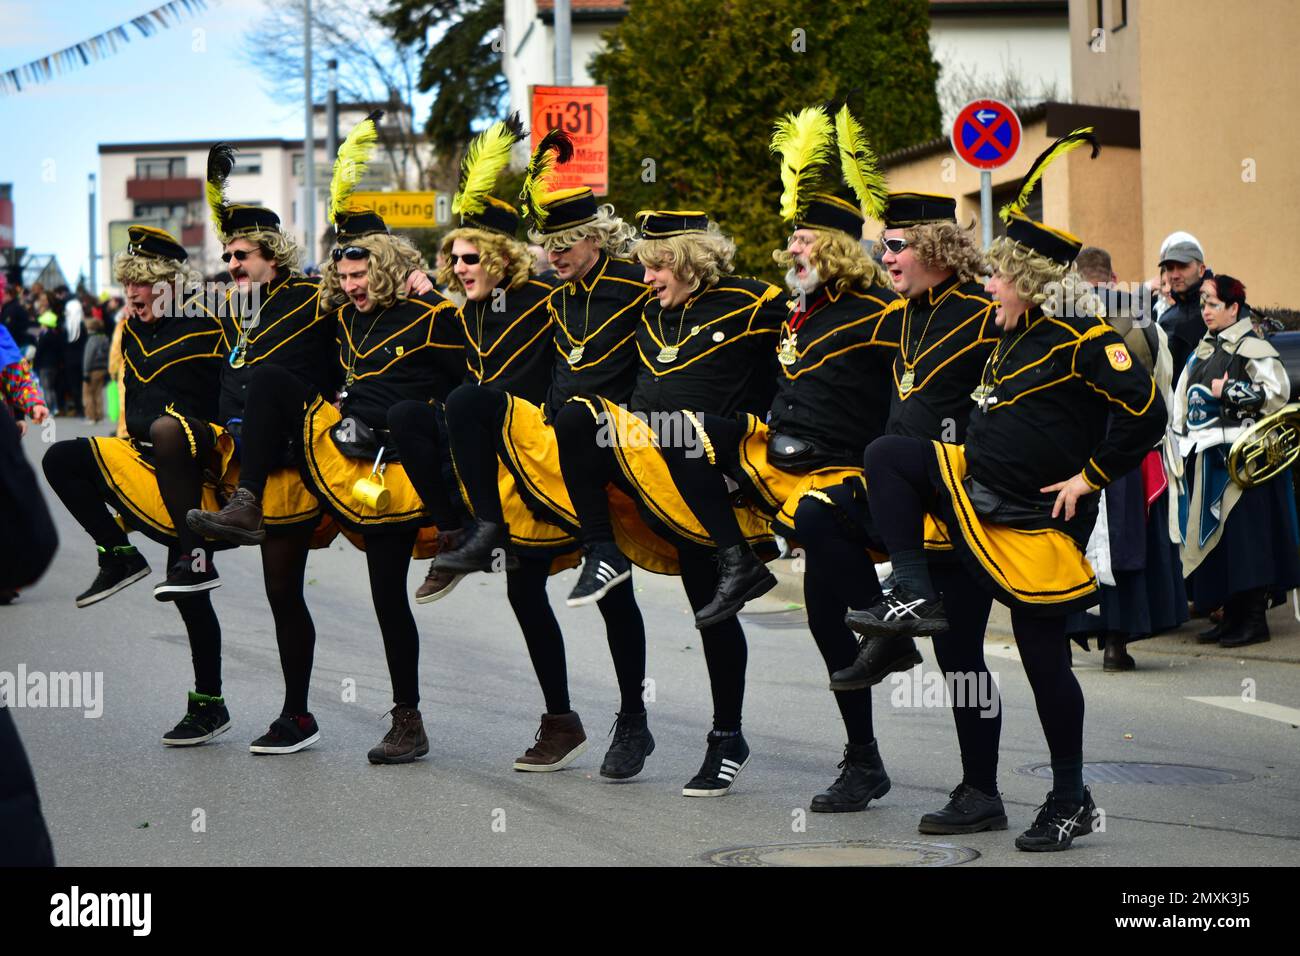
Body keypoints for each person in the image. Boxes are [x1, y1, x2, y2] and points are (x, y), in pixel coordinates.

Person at [838, 130, 1168, 851]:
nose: (988, 285)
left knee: (1044, 658)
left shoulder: (1081, 336)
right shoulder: (1007, 334)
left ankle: (1069, 794)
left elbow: (1147, 413)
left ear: (1031, 280)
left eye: (998, 276)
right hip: (976, 504)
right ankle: (978, 787)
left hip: (1038, 524)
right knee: (892, 460)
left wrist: (1090, 478)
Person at [188, 113, 463, 763]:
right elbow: (283, 322)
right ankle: (245, 503)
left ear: (389, 265)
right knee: (276, 380)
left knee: (386, 597)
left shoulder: (431, 315)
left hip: (394, 464)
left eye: (361, 274)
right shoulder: (336, 317)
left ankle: (409, 719)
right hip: (329, 451)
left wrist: (439, 292)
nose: (350, 286)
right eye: (342, 277)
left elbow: (466, 383)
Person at [428, 127, 656, 775]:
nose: (554, 253)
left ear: (597, 236)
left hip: (612, 457)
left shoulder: (635, 287)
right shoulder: (549, 299)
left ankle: (634, 722)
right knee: (524, 589)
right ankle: (561, 719)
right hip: (544, 460)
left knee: (613, 594)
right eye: (546, 243)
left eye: (565, 243)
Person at [553, 206, 784, 794]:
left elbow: (798, 371)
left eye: (656, 266)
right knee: (580, 419)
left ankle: (727, 737)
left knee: (712, 610)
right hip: (642, 475)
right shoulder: (651, 311)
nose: (647, 278)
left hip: (707, 480)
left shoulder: (756, 302)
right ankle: (631, 715)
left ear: (685, 260)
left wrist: (765, 448)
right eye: (645, 266)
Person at [41, 225, 233, 745]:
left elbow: (243, 379)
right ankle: (118, 554)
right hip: (142, 455)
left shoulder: (210, 321)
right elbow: (133, 404)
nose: (133, 292)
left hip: (194, 463)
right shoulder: (132, 327)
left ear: (169, 284)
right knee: (61, 458)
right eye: (128, 282)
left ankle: (208, 703)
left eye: (143, 282)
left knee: (192, 598)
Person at [1066, 246, 1187, 670]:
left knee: (1074, 540)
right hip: (1128, 452)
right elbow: (1165, 391)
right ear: (1114, 278)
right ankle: (1117, 643)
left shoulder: (1066, 323)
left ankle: (1064, 633)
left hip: (1080, 451)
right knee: (1125, 542)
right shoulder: (1148, 326)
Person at [1170, 273, 1300, 648]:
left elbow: (1277, 393)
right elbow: (1182, 398)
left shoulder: (1252, 347)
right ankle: (1231, 616)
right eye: (1204, 304)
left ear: (1233, 308)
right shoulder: (1205, 348)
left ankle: (1254, 621)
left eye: (1213, 304)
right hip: (1207, 456)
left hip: (1245, 464)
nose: (1206, 311)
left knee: (1248, 542)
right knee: (1222, 542)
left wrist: (1228, 389)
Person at [1156, 232, 1210, 375]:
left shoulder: (1224, 309)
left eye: (1182, 266)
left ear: (1201, 269)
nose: (1174, 275)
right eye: (1169, 268)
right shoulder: (1166, 319)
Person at [81, 317, 110, 425]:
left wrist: (85, 373)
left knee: (88, 393)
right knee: (98, 393)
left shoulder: (92, 340)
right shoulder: (104, 338)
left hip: (92, 369)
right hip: (102, 368)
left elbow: (88, 357)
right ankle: (99, 415)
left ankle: (91, 416)